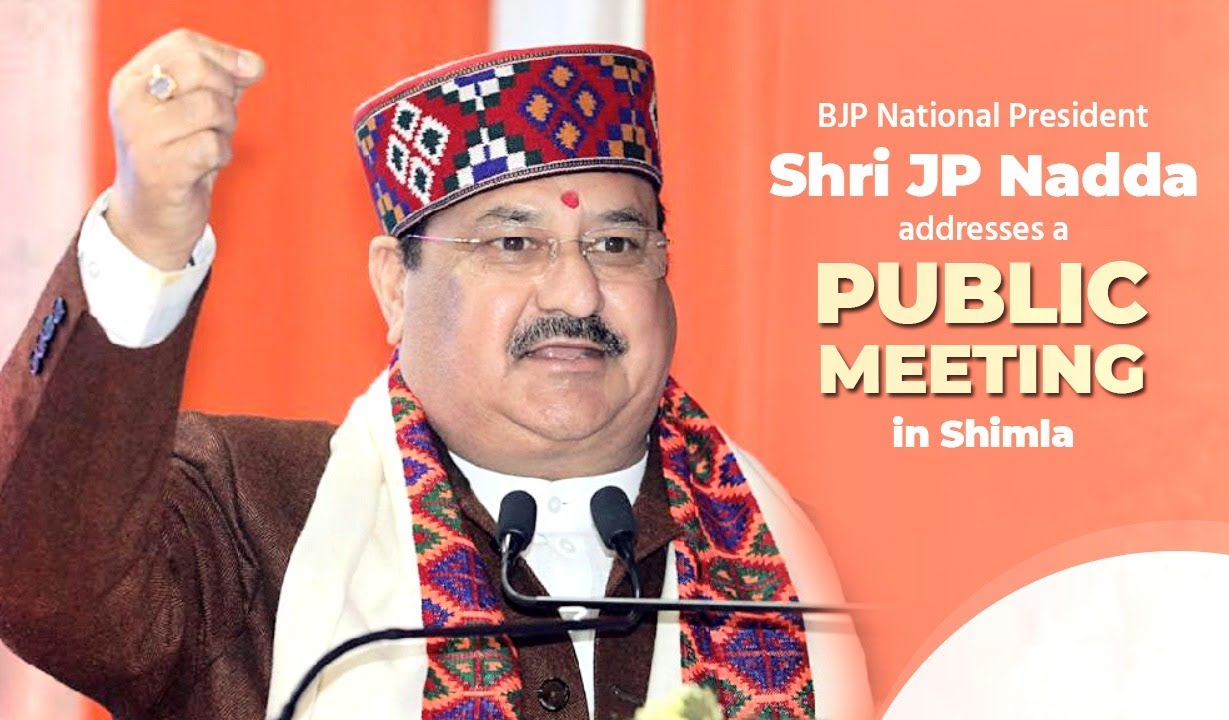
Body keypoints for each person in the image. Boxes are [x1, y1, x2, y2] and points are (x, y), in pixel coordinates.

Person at [0, 29, 872, 720]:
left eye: (616, 244)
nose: (576, 289)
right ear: (393, 283)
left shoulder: (796, 560)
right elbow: (44, 576)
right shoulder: (254, 511)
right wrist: (147, 235)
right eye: (512, 243)